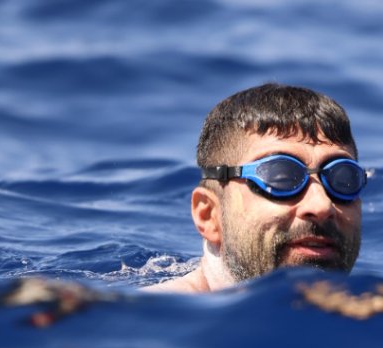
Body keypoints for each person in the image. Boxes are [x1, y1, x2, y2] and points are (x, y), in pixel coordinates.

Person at [154, 83, 365, 293]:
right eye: (280, 178)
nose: (322, 205)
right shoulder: (157, 310)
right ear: (208, 215)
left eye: (343, 180)